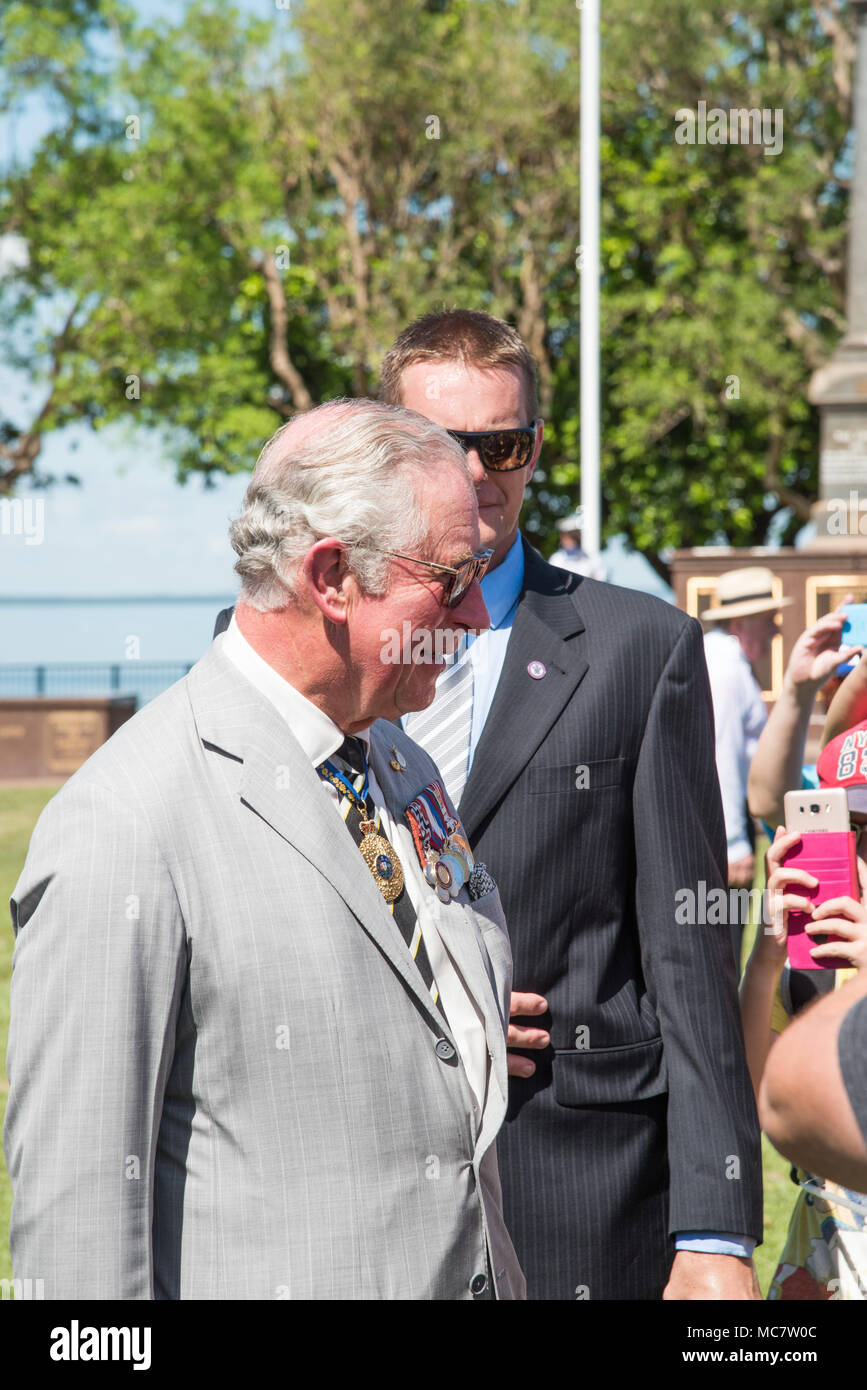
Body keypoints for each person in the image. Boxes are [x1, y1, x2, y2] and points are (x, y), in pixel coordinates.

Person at [4, 398, 526, 1301]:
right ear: (332, 576)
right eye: (451, 578)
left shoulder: (398, 760)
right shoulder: (127, 819)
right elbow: (77, 1224)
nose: (480, 614)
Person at [378, 308, 762, 1300]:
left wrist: (717, 1224)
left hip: (585, 1188)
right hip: (360, 1173)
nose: (473, 473)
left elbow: (688, 948)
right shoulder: (317, 651)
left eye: (500, 444)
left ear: (536, 449)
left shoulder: (642, 650)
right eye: (437, 445)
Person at [741, 722, 867, 1298]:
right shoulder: (819, 958)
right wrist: (766, 961)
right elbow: (763, 1098)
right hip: (823, 1250)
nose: (860, 858)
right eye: (849, 830)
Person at [702, 568, 791, 965]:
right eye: (768, 619)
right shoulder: (725, 665)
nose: (776, 630)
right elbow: (722, 752)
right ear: (740, 623)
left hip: (719, 826)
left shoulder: (722, 659)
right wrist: (734, 842)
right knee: (724, 956)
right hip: (723, 831)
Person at [549, 511, 606, 581]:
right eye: (568, 535)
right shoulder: (556, 559)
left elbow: (601, 580)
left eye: (574, 535)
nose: (569, 539)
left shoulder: (592, 559)